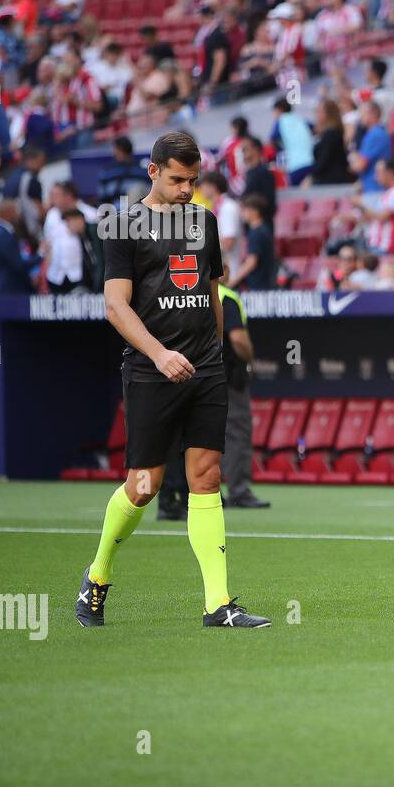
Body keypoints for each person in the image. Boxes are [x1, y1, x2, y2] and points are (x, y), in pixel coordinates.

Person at [76, 131, 270, 629]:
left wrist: (216, 356)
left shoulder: (204, 223)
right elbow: (116, 306)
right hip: (149, 369)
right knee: (144, 486)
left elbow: (213, 293)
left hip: (205, 369)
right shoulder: (122, 226)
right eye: (178, 179)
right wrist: (160, 355)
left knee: (206, 477)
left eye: (193, 180)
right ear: (153, 171)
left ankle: (218, 604)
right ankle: (97, 576)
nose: (187, 190)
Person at [217, 282, 270, 509]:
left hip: (195, 373)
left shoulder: (189, 290)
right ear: (224, 269)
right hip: (228, 375)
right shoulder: (225, 296)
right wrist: (250, 361)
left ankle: (206, 492)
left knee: (198, 436)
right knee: (237, 432)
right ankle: (239, 492)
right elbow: (238, 338)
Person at [230, 193, 277, 290]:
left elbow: (251, 262)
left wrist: (232, 282)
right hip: (266, 282)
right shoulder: (264, 229)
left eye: (244, 210)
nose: (242, 213)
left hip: (259, 286)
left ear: (254, 211)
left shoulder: (256, 233)